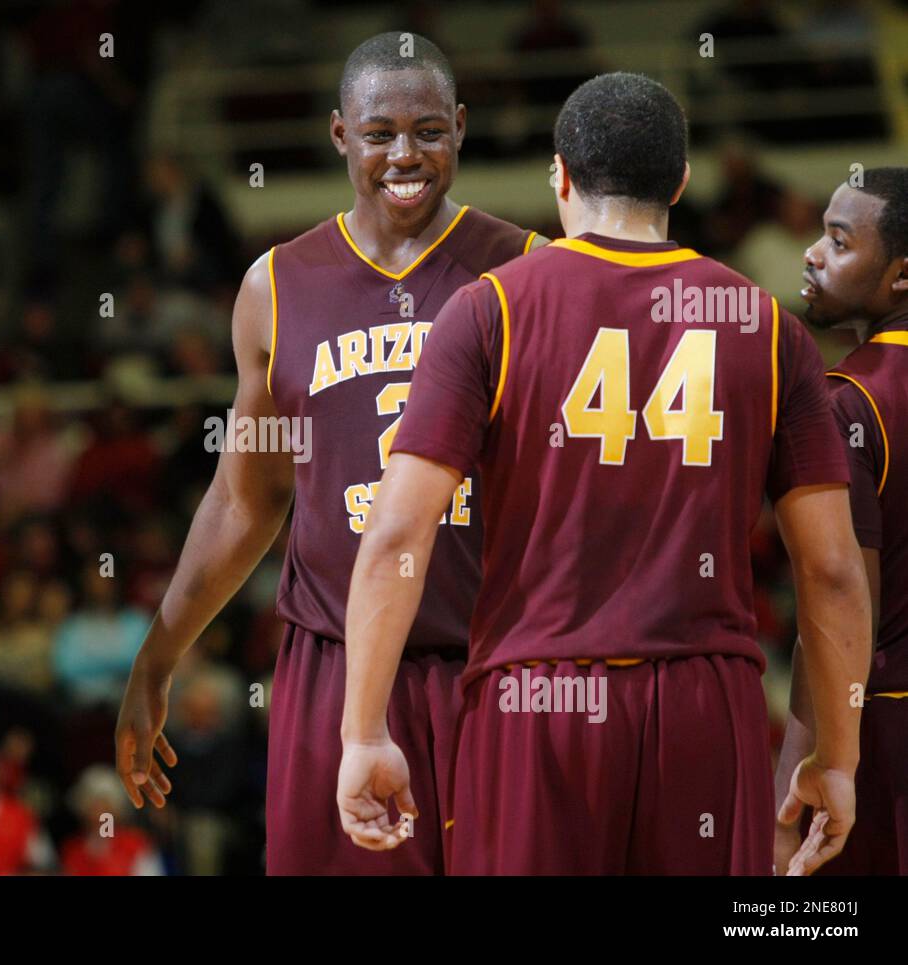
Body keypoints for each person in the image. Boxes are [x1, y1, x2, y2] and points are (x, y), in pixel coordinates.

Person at [338, 72, 870, 875]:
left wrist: (364, 733)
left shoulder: (489, 309)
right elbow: (831, 571)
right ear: (682, 182)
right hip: (705, 699)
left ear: (559, 173)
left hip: (536, 698)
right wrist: (837, 755)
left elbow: (396, 536)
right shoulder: (766, 327)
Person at [116, 32, 542, 875]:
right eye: (380, 132)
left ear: (460, 128)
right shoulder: (274, 286)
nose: (405, 154)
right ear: (341, 135)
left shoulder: (525, 271)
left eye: (428, 130)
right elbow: (246, 499)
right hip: (334, 669)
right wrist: (157, 659)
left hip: (491, 660)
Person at [775, 167, 908, 874]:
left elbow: (840, 606)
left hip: (885, 733)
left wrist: (795, 776)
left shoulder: (850, 401)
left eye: (838, 241)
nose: (812, 254)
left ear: (901, 275)